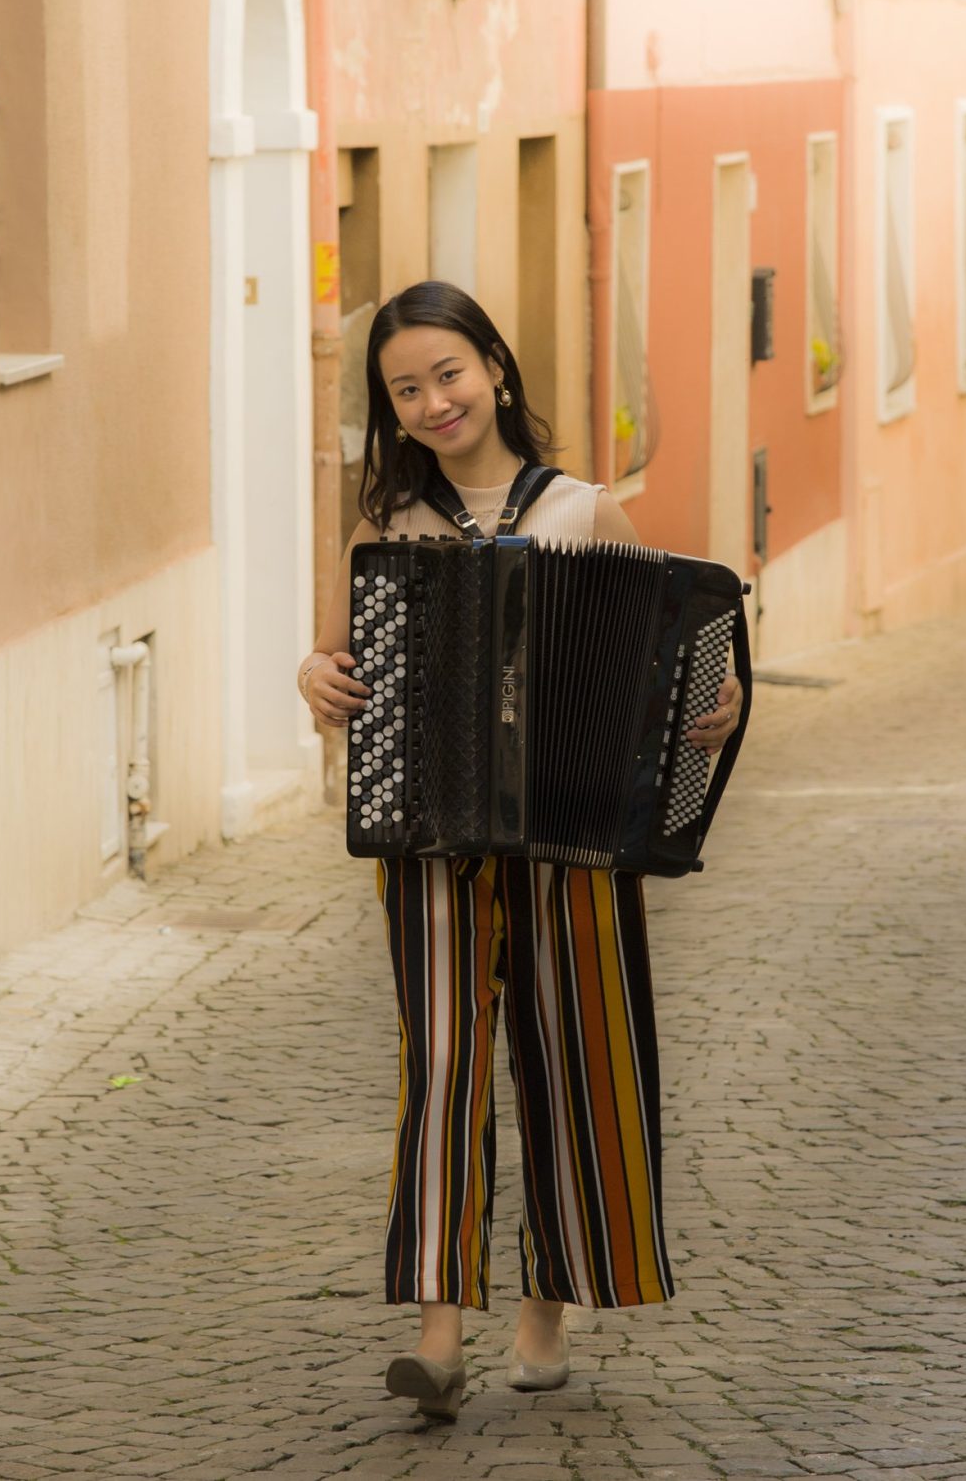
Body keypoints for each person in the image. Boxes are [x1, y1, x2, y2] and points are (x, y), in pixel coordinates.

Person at [297, 280, 744, 1421]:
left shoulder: (585, 512)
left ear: (494, 368)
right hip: (430, 840)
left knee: (574, 1064)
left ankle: (548, 1303)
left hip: (572, 846)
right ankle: (438, 1335)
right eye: (406, 389)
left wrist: (717, 701)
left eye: (447, 373)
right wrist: (315, 677)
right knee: (439, 1067)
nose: (433, 400)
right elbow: (333, 671)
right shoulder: (383, 532)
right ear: (391, 412)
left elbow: (669, 662)